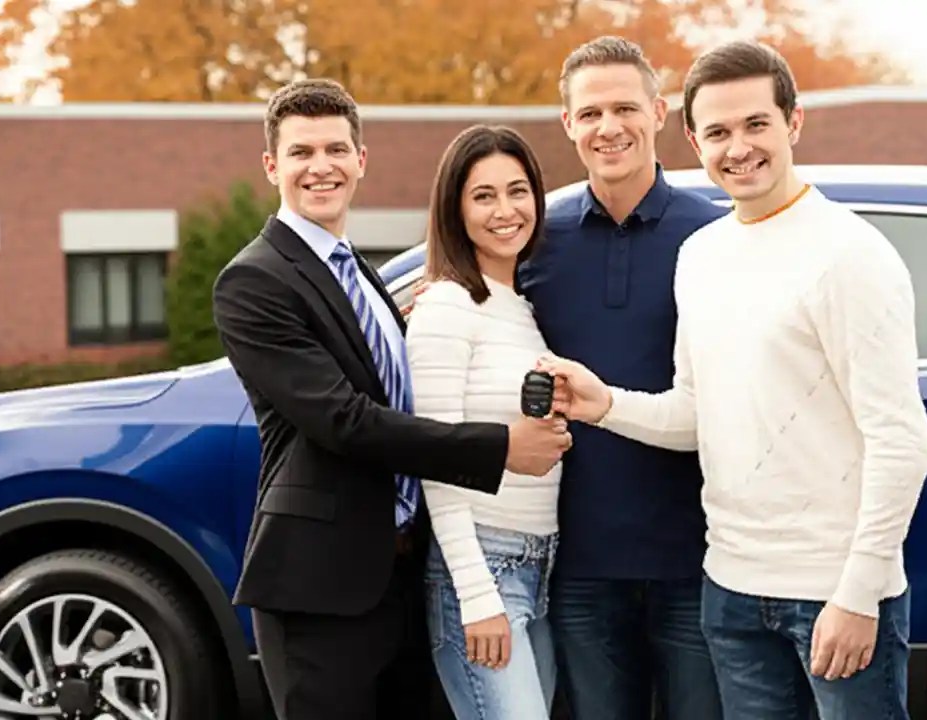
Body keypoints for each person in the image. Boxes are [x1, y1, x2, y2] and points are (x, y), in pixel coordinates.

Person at [540, 40, 927, 720]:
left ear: (794, 123)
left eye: (756, 124)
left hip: (832, 592)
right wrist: (605, 405)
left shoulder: (850, 254)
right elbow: (697, 415)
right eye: (719, 132)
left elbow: (902, 442)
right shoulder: (702, 255)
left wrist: (858, 592)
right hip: (730, 590)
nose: (739, 147)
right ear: (694, 140)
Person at [211, 79, 571, 720]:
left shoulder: (358, 272)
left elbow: (393, 383)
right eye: (300, 153)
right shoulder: (253, 280)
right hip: (319, 584)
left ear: (360, 160)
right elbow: (343, 420)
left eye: (335, 150)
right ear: (271, 165)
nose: (320, 167)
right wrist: (499, 448)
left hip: (399, 574)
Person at [517, 35, 728, 720]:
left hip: (697, 558)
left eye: (625, 108)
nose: (608, 127)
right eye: (590, 113)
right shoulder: (535, 241)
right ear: (568, 124)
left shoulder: (716, 238)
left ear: (659, 112)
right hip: (579, 562)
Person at [404, 124, 563, 720]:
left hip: (540, 562)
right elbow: (437, 459)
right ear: (455, 210)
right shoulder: (446, 306)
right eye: (483, 196)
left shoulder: (520, 307)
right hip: (484, 568)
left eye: (518, 191)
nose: (505, 211)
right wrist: (476, 595)